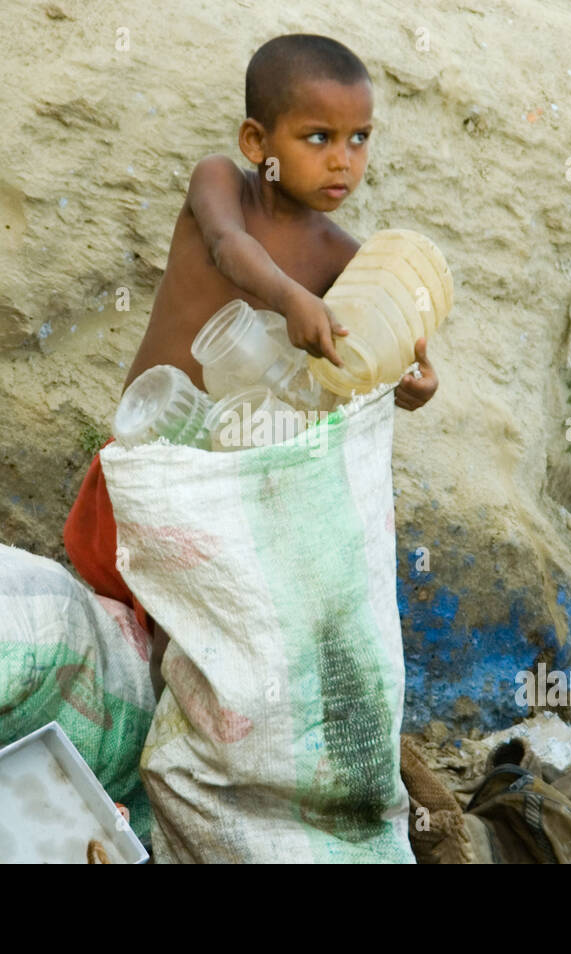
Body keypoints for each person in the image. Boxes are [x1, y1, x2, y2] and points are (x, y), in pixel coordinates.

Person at [64, 33, 440, 697]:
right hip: (148, 465)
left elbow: (357, 361)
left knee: (201, 656)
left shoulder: (342, 257)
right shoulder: (221, 185)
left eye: (359, 139)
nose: (343, 162)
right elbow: (229, 247)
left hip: (229, 495)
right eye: (318, 137)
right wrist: (291, 297)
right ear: (255, 143)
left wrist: (402, 379)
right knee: (115, 641)